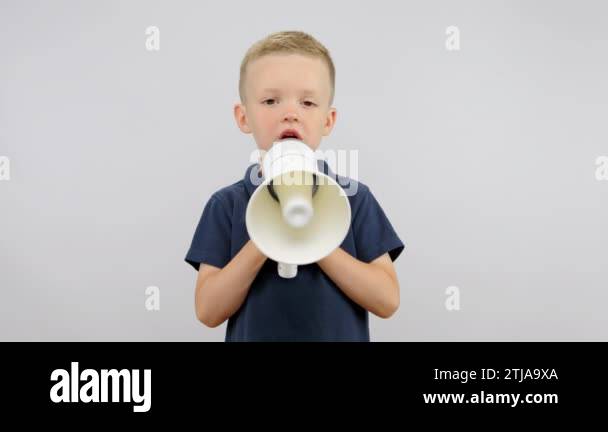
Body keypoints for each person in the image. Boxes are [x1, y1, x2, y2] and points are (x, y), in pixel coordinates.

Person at [185, 30, 405, 341]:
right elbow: (208, 311)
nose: (290, 114)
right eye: (270, 100)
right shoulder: (227, 204)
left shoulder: (354, 199)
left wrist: (313, 239)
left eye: (308, 102)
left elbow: (387, 300)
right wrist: (268, 236)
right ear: (243, 116)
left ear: (328, 121)